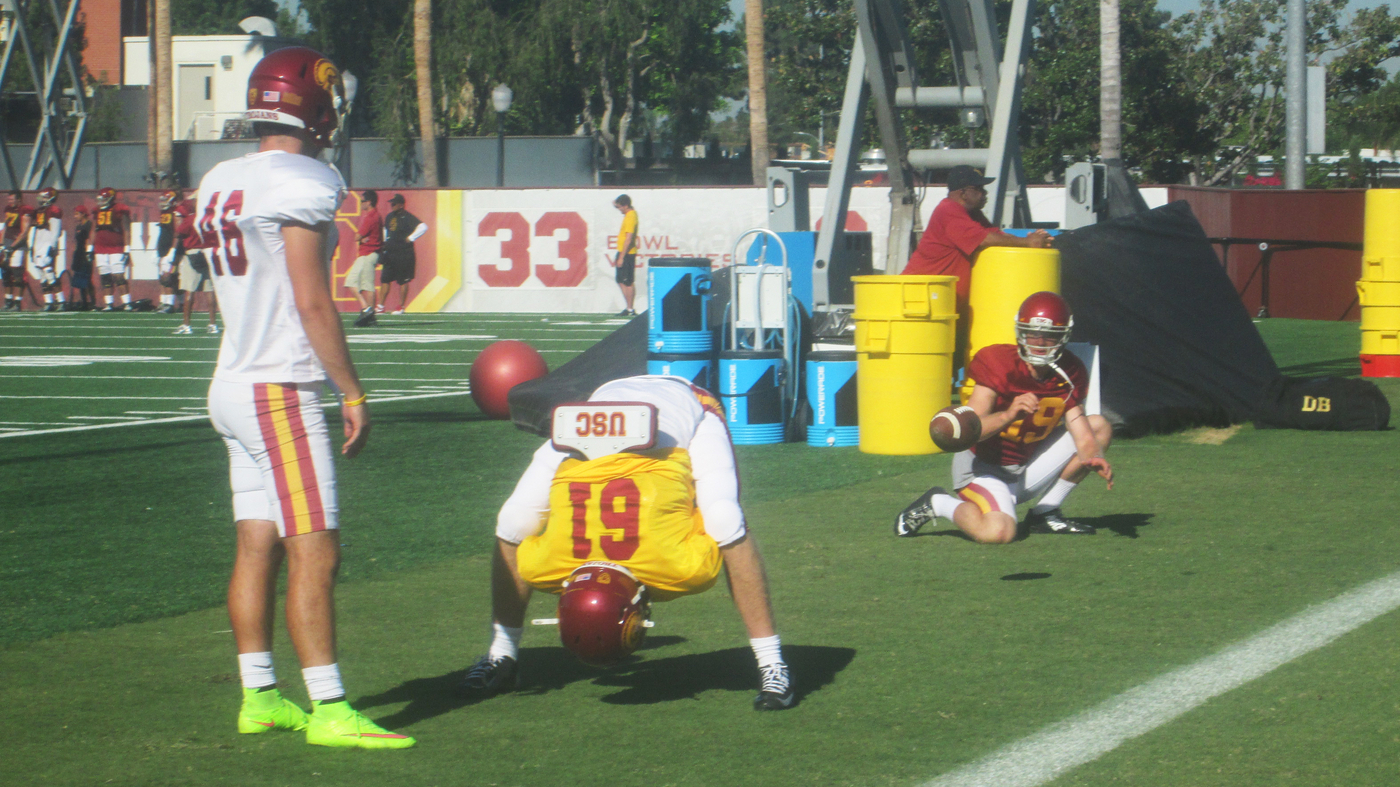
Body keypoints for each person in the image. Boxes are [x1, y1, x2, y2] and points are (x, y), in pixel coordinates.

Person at [198, 45, 413, 749]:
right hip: (278, 388)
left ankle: (259, 694)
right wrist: (351, 390)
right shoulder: (308, 177)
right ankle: (329, 706)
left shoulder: (220, 177)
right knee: (315, 549)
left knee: (257, 542)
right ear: (316, 107)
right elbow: (313, 299)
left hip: (230, 380)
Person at [462, 374, 796, 711]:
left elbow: (701, 526)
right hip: (611, 403)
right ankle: (501, 657)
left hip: (673, 403)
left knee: (724, 518)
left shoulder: (682, 570)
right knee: (513, 520)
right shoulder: (546, 568)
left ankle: (773, 664)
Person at [894, 291, 1114, 543]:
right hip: (983, 468)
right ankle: (938, 502)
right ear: (1020, 331)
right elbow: (971, 428)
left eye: (1049, 335)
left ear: (1063, 336)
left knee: (1099, 427)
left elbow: (1082, 430)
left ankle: (1046, 511)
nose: (1040, 342)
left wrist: (1093, 456)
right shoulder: (998, 362)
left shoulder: (1070, 370)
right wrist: (1009, 414)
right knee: (999, 533)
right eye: (1033, 332)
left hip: (1026, 465)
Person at [904, 166, 1052, 363]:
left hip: (945, 303)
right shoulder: (949, 210)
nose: (985, 194)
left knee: (949, 360)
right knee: (929, 361)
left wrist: (1034, 240)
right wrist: (1029, 242)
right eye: (979, 189)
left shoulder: (970, 213)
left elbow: (997, 235)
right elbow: (984, 239)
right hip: (922, 301)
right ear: (963, 193)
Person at [173, 196, 219, 335]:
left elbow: (179, 233)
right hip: (208, 253)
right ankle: (213, 324)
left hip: (192, 253)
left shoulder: (191, 218)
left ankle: (186, 324)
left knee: (189, 290)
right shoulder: (211, 217)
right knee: (210, 290)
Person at [377, 194, 424, 314]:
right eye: (392, 203)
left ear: (401, 205)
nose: (392, 205)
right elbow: (385, 231)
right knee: (385, 279)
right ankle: (381, 306)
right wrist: (384, 244)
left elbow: (423, 227)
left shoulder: (407, 217)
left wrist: (412, 237)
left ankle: (401, 307)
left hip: (404, 253)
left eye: (394, 203)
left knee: (403, 280)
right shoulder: (389, 217)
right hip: (390, 252)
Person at [90, 187, 133, 311]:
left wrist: (127, 249)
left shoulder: (119, 209)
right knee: (105, 277)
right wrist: (89, 247)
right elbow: (93, 229)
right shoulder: (97, 210)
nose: (101, 201)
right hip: (100, 248)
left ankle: (127, 303)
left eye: (103, 198)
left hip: (116, 247)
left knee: (119, 276)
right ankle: (109, 303)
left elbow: (126, 229)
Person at [345, 190, 383, 327]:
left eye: (363, 201)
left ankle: (369, 313)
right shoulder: (376, 216)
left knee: (364, 284)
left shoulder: (371, 217)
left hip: (368, 253)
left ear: (369, 202)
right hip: (368, 253)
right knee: (356, 283)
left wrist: (362, 238)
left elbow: (357, 236)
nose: (361, 203)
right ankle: (367, 310)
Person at [28, 187, 65, 312]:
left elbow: (55, 231)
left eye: (44, 197)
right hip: (38, 244)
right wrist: (32, 247)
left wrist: (52, 246)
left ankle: (61, 300)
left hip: (47, 245)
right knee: (42, 275)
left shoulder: (53, 211)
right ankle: (49, 302)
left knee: (49, 273)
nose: (41, 199)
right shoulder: (40, 211)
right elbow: (36, 230)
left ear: (50, 198)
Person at [155, 189, 186, 313]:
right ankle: (179, 304)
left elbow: (177, 232)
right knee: (167, 276)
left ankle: (169, 304)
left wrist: (172, 250)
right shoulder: (165, 212)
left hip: (172, 248)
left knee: (168, 276)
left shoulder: (176, 212)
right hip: (164, 247)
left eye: (165, 200)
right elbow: (162, 232)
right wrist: (156, 249)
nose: (163, 202)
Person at [3, 190, 34, 310]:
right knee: (6, 273)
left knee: (17, 273)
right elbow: (6, 227)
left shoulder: (25, 210)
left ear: (19, 199)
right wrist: (2, 244)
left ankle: (17, 302)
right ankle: (8, 301)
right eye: (9, 199)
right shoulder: (8, 209)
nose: (9, 201)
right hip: (7, 241)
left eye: (12, 199)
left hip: (18, 244)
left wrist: (12, 247)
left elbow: (24, 232)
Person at [610, 194, 639, 316]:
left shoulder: (631, 216)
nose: (619, 209)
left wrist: (622, 256)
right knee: (620, 280)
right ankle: (628, 307)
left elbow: (628, 238)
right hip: (623, 251)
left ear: (626, 206)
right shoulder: (628, 214)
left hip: (627, 253)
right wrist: (615, 203)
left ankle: (630, 308)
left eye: (620, 207)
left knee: (627, 281)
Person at [66, 206, 96, 310]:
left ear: (83, 214)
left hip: (85, 254)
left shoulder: (89, 224)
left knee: (87, 280)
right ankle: (84, 302)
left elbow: (90, 239)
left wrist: (89, 252)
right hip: (78, 254)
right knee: (79, 281)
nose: (75, 216)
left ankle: (93, 303)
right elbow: (76, 242)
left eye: (77, 214)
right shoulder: (78, 226)